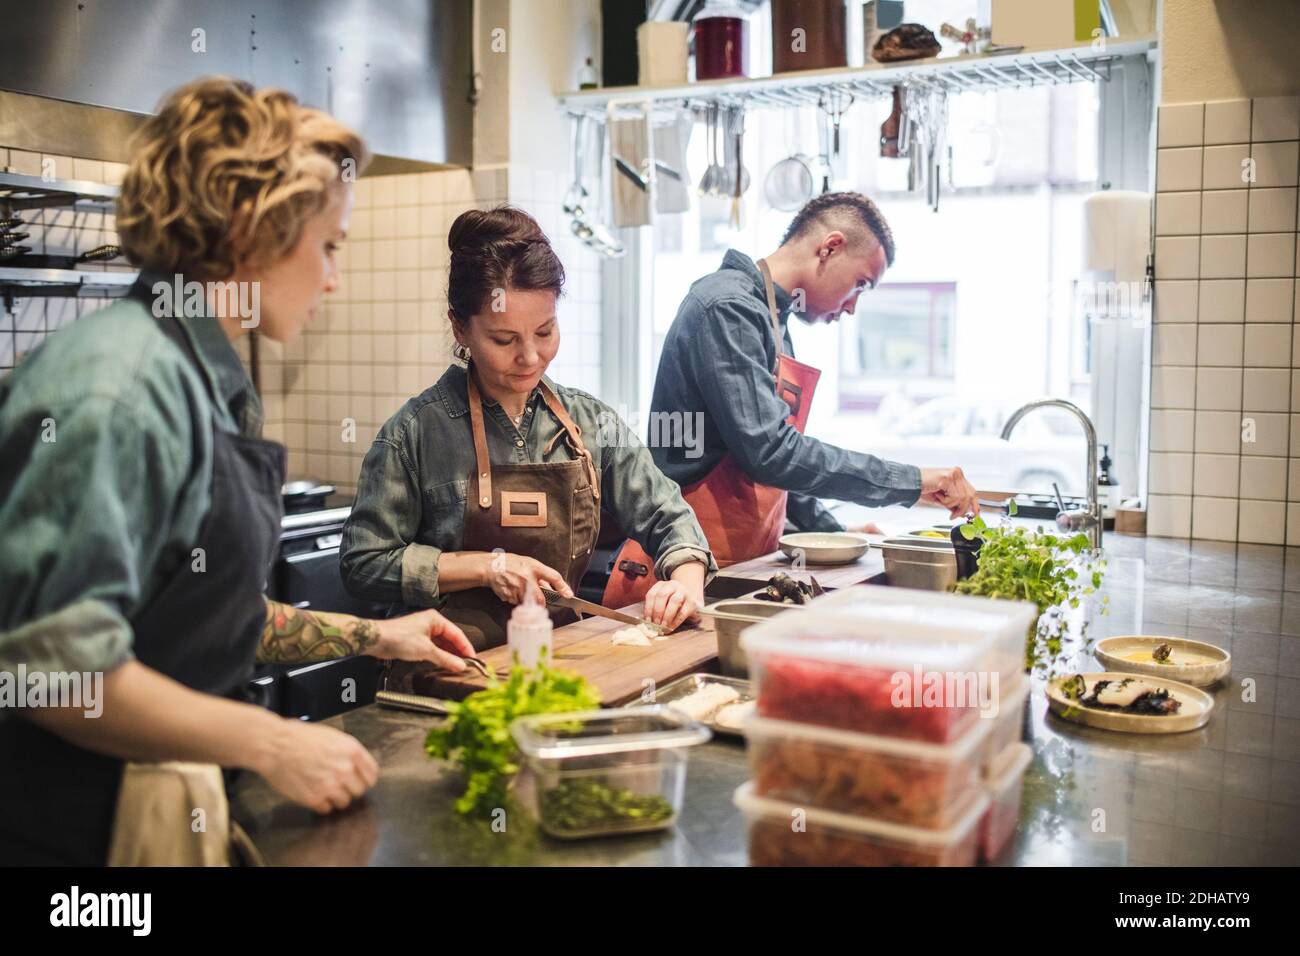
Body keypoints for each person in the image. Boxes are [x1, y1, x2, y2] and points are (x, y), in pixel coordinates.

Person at [0, 77, 475, 865]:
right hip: (73, 845)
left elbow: (203, 615)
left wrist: (378, 634)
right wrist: (269, 741)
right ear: (251, 230)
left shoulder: (206, 378)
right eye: (327, 246)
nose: (333, 278)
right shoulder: (118, 392)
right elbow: (51, 671)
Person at [340, 205, 716, 668]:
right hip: (448, 672)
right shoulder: (415, 433)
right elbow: (364, 563)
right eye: (503, 339)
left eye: (545, 331)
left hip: (556, 660)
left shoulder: (590, 422)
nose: (530, 357)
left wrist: (686, 581)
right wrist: (486, 566)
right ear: (461, 327)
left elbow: (668, 514)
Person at [605, 192, 980, 605]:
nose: (853, 307)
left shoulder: (773, 320)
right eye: (860, 284)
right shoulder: (728, 308)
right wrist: (910, 482)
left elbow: (775, 472)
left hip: (735, 566)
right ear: (830, 247)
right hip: (676, 574)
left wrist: (836, 534)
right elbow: (771, 453)